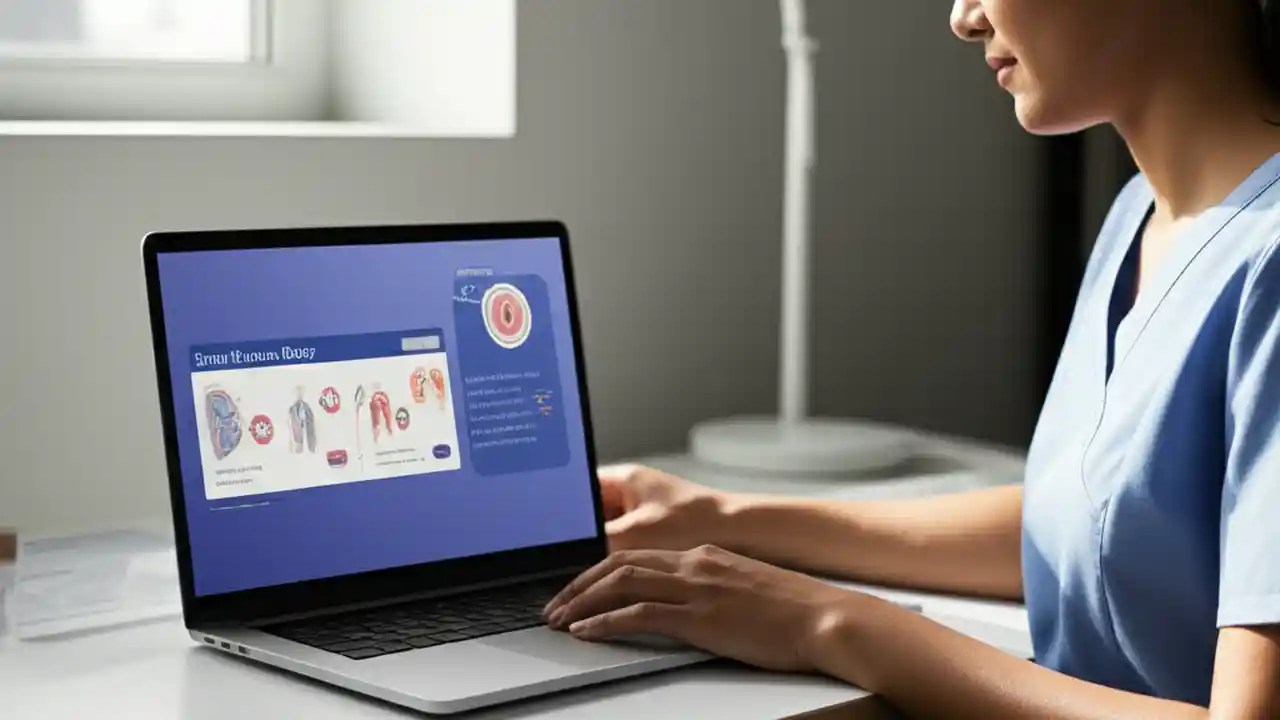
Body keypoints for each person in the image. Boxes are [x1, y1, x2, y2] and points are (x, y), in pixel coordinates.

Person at [541, 1, 1280, 716]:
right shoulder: (1138, 217)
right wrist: (727, 517)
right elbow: (1106, 525)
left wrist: (828, 623)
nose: (964, 17)